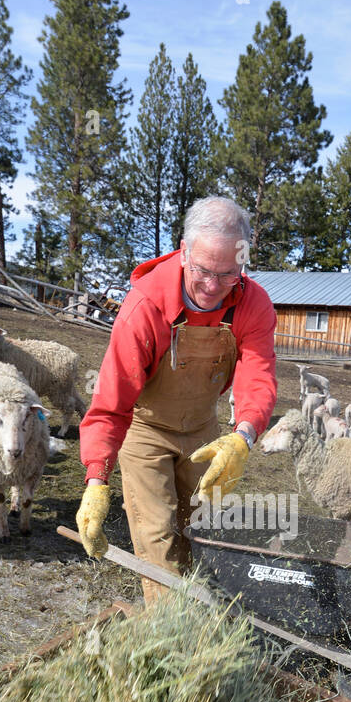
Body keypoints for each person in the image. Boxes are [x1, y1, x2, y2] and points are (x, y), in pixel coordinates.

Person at [75, 196, 277, 601]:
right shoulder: (145, 308)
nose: (213, 286)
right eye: (203, 270)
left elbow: (258, 378)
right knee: (158, 538)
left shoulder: (253, 304)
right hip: (146, 431)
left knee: (201, 530)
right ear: (184, 252)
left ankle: (202, 616)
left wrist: (244, 437)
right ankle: (171, 639)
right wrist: (97, 479)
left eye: (228, 274)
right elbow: (112, 403)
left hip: (204, 431)